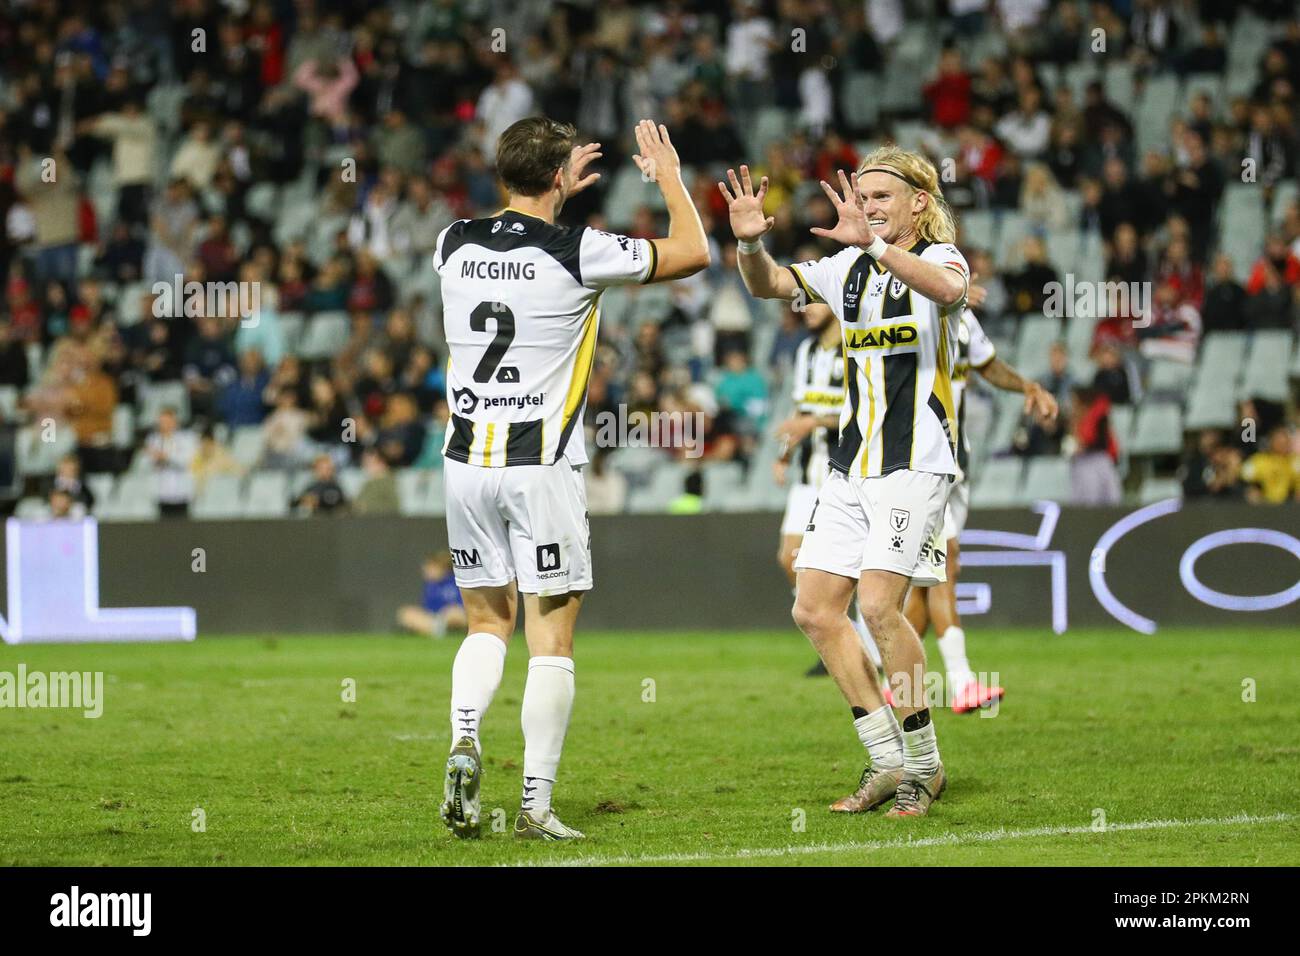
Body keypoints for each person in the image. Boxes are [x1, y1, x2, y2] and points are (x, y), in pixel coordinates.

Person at [435, 117, 709, 840]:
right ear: (562, 178)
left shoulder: (451, 243)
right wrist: (667, 176)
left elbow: (511, 235)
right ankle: (533, 805)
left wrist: (547, 186)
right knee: (549, 640)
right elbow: (694, 252)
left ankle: (465, 736)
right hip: (540, 467)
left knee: (487, 621)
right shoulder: (578, 250)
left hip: (466, 465)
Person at [720, 145, 967, 817]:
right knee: (814, 609)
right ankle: (886, 759)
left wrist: (878, 249)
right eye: (863, 197)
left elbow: (950, 294)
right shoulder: (845, 270)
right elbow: (770, 284)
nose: (869, 207)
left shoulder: (941, 260)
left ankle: (925, 766)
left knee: (881, 607)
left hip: (915, 461)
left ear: (920, 202)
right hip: (851, 464)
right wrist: (747, 245)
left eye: (881, 197)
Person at [903, 301, 1057, 713]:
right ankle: (962, 682)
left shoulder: (961, 315)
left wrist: (1027, 386)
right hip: (920, 462)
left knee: (924, 583)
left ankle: (896, 684)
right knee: (944, 566)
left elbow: (987, 365)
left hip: (957, 463)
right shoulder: (897, 309)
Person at [772, 302, 886, 683]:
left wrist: (814, 422)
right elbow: (799, 407)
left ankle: (864, 648)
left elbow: (867, 409)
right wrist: (784, 454)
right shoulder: (805, 352)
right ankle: (830, 632)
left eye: (812, 300)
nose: (802, 308)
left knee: (859, 569)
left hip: (848, 472)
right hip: (809, 472)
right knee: (790, 558)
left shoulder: (857, 347)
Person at [397, 552, 468, 638]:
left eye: (430, 567)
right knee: (407, 613)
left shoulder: (454, 581)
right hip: (435, 619)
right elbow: (427, 608)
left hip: (454, 617)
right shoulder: (431, 586)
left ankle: (434, 630)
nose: (426, 570)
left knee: (453, 613)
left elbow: (461, 606)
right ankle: (437, 630)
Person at [146, 407, 198, 518]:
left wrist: (166, 457)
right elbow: (150, 461)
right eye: (162, 422)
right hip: (162, 493)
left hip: (182, 493)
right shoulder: (154, 440)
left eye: (167, 421)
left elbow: (186, 461)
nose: (164, 425)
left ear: (175, 422)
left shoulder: (187, 439)